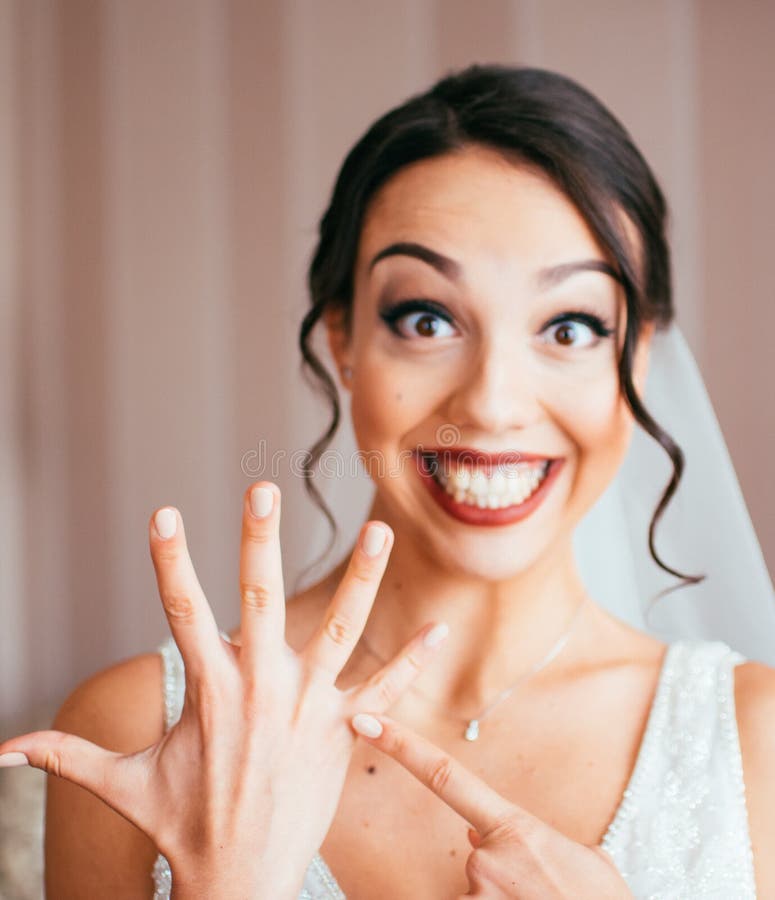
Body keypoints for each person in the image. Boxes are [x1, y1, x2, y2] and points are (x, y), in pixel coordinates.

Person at [1, 63, 773, 899]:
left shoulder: (755, 741)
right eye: (427, 319)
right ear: (341, 336)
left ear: (640, 353)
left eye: (571, 326)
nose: (491, 403)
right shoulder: (133, 731)